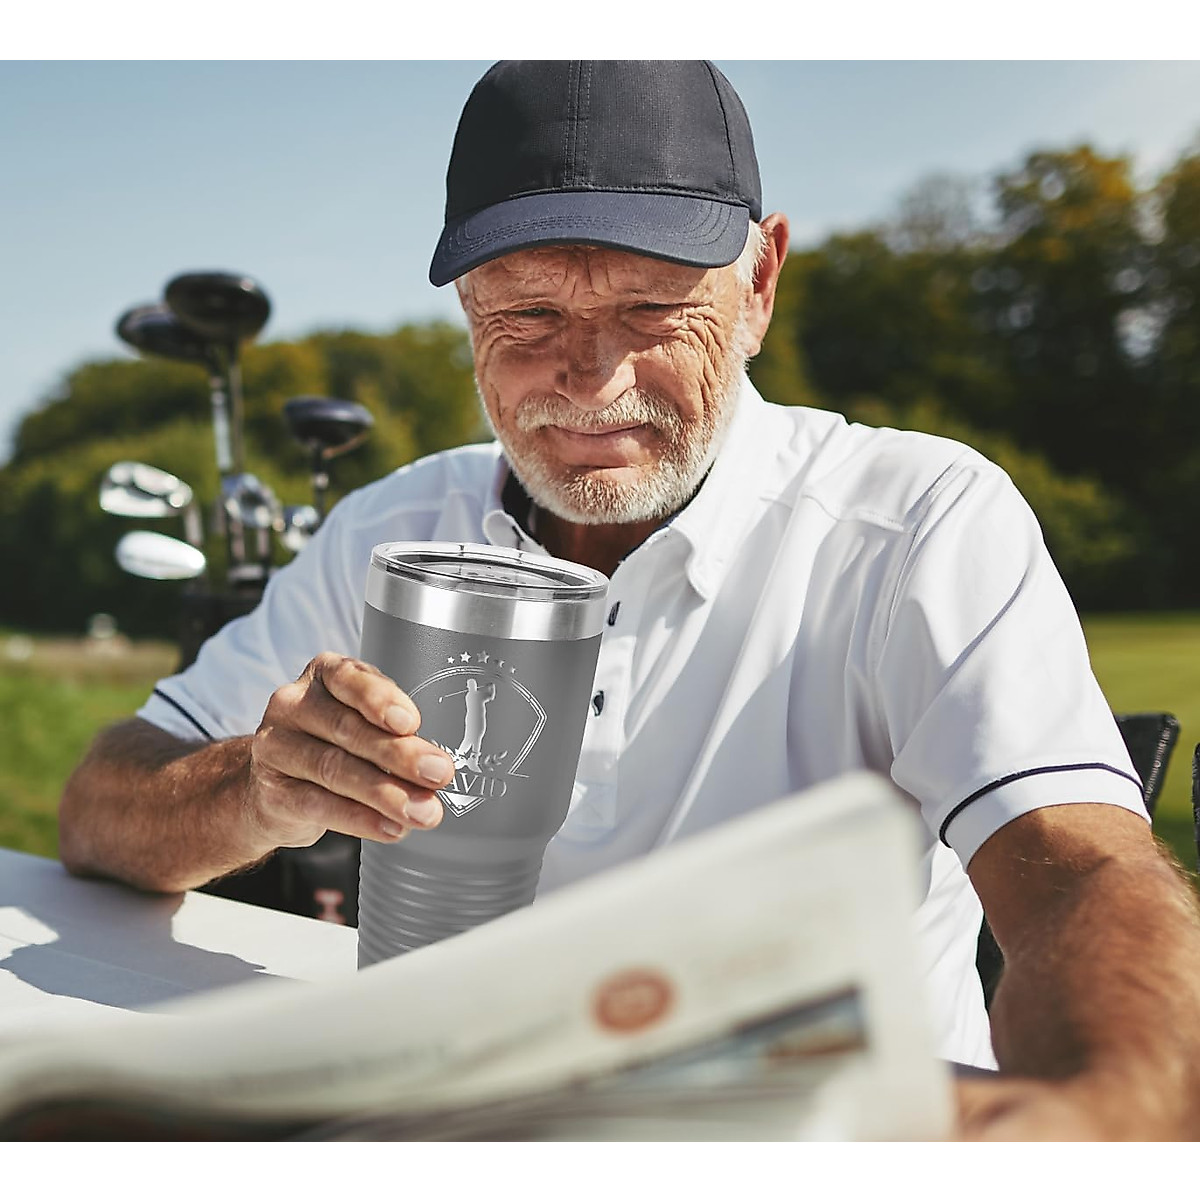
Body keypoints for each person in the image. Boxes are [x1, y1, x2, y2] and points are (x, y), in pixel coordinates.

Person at [60, 60, 1200, 1139]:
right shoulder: (393, 528)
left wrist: (1108, 1111)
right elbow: (105, 804)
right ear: (467, 311)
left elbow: (1081, 870)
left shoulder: (916, 520)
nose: (591, 376)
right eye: (529, 316)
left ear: (759, 284)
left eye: (653, 308)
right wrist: (259, 786)